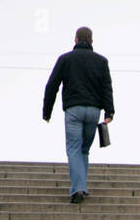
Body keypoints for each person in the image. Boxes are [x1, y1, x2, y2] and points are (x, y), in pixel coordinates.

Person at [43, 27, 114, 202]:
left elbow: (52, 86)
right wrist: (109, 111)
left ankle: (78, 189)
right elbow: (107, 87)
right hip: (93, 111)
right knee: (84, 150)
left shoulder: (65, 59)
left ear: (75, 40)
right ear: (92, 41)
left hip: (74, 109)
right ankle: (82, 185)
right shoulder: (101, 61)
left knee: (74, 149)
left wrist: (47, 111)